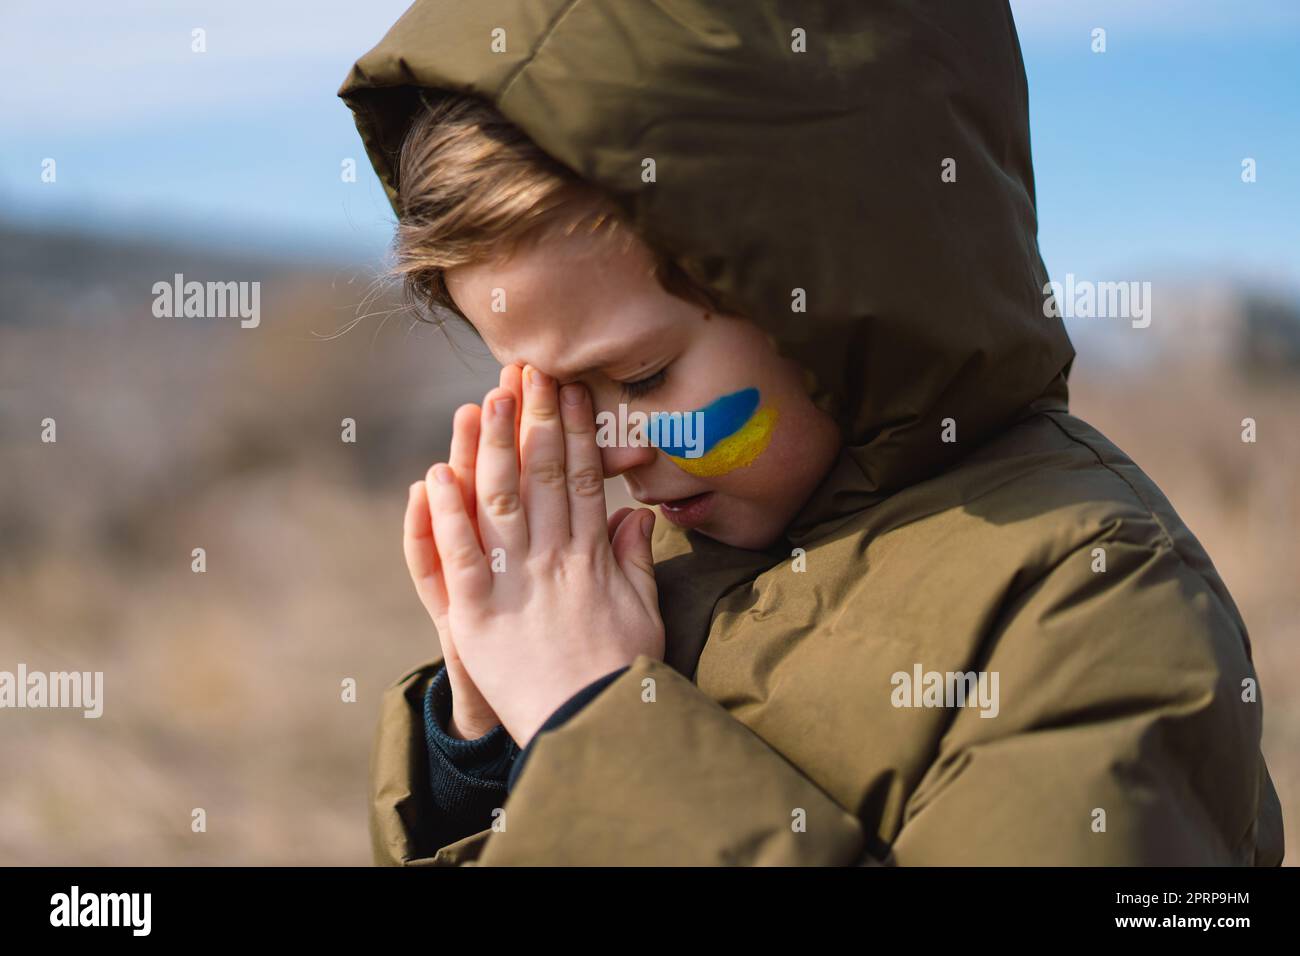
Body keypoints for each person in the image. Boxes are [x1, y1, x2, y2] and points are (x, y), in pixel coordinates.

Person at [338, 0, 1284, 865]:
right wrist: (489, 742)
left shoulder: (1094, 603)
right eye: (558, 393)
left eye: (641, 377)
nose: (608, 450)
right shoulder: (637, 576)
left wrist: (586, 722)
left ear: (831, 295)